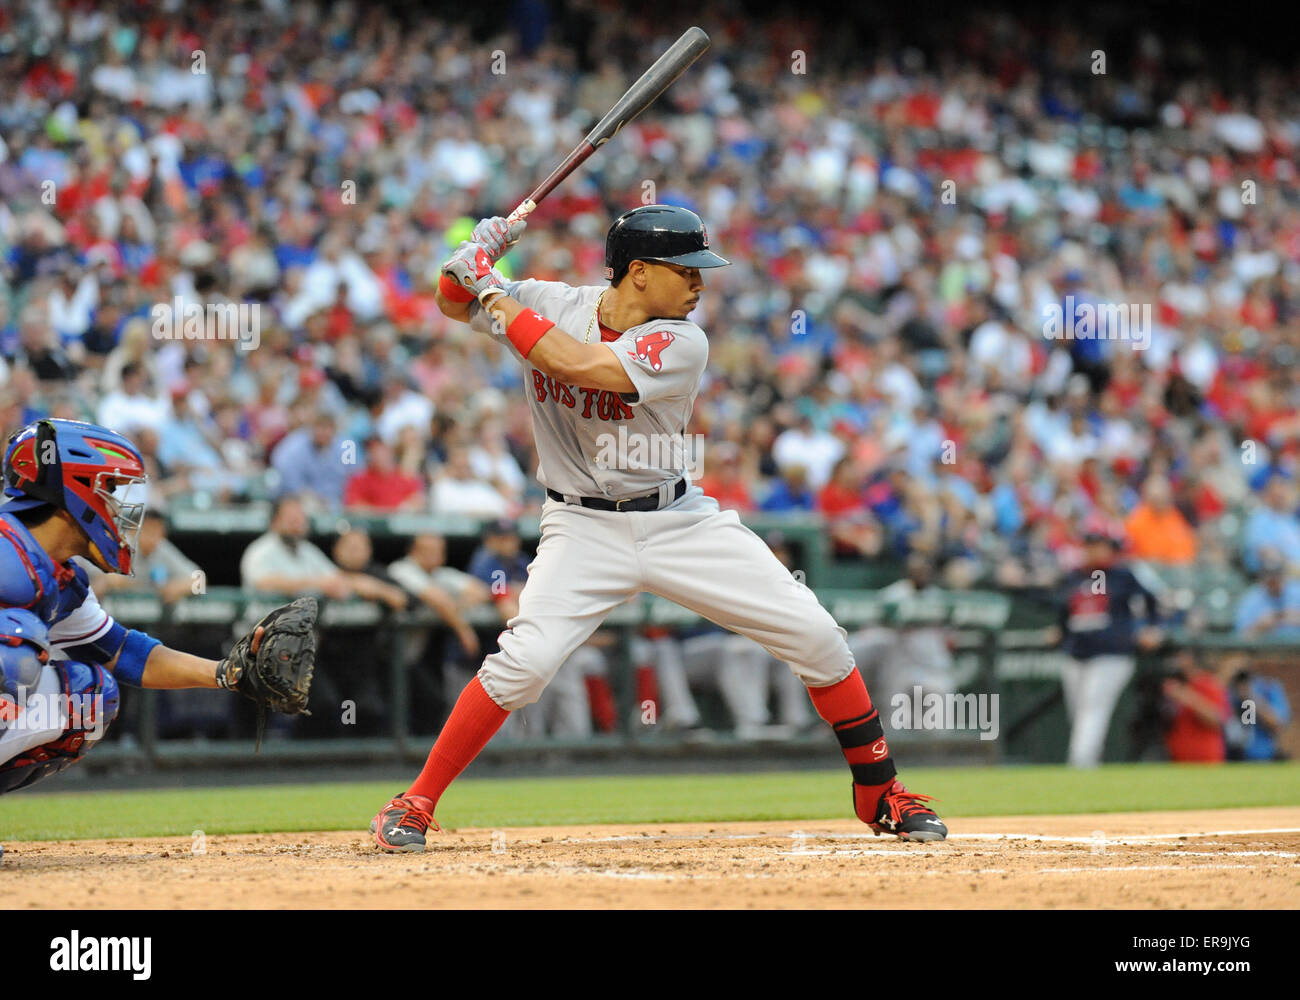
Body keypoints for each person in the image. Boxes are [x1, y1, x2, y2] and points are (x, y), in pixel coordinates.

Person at [370, 206, 946, 850]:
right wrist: (476, 257)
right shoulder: (549, 301)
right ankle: (415, 801)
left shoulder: (682, 339)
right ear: (638, 273)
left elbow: (582, 367)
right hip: (580, 524)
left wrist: (493, 287)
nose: (701, 284)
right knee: (524, 666)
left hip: (676, 519)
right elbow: (451, 302)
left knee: (817, 636)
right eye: (687, 270)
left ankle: (881, 791)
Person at [0, 418, 308, 846]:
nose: (119, 507)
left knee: (90, 696)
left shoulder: (62, 580)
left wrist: (228, 673)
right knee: (13, 647)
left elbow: (125, 652)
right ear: (76, 490)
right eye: (109, 488)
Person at [1050, 530, 1164, 767]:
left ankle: (1080, 762)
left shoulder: (1123, 575)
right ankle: (1089, 761)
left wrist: (1152, 628)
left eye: (1099, 546)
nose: (1094, 550)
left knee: (1093, 705)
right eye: (1089, 545)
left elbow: (1153, 600)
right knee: (1080, 710)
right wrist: (1060, 629)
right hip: (1077, 652)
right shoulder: (1074, 576)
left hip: (1113, 652)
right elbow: (1063, 609)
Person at [1162, 649, 1229, 763]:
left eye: (1180, 657)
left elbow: (1217, 719)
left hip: (1205, 760)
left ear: (1191, 659)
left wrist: (1185, 696)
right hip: (1179, 760)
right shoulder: (1176, 684)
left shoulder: (1207, 684)